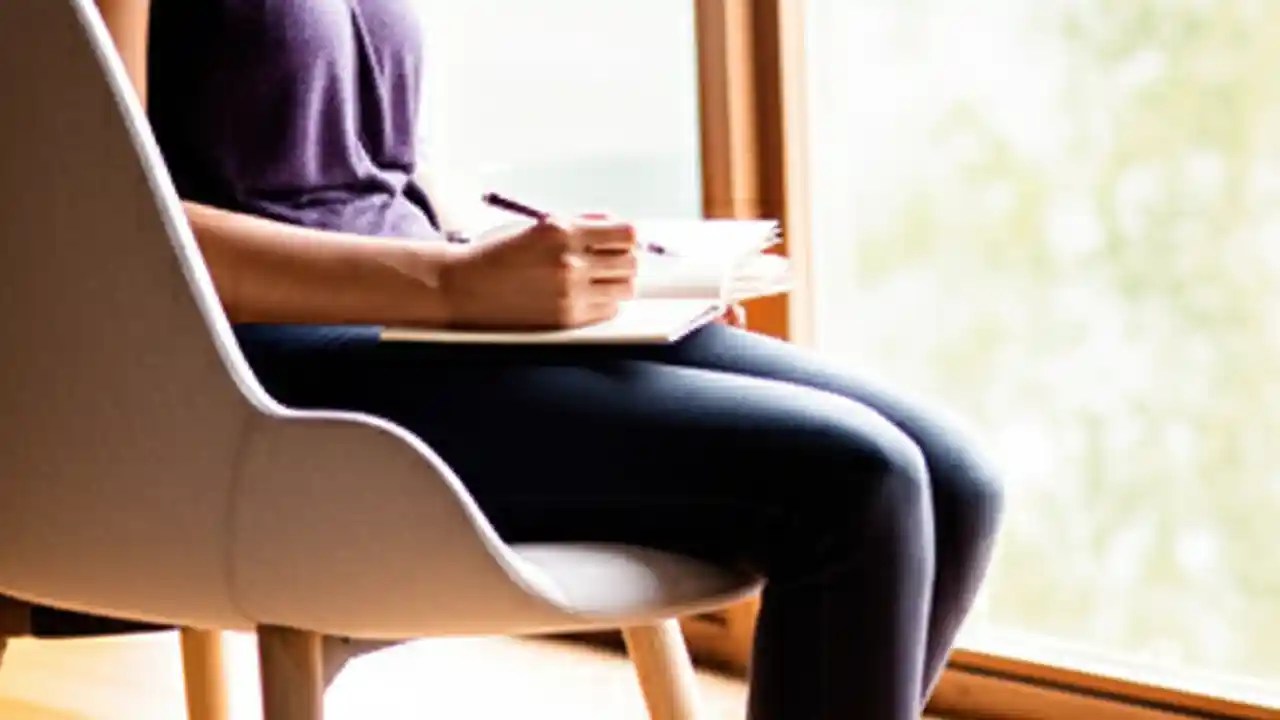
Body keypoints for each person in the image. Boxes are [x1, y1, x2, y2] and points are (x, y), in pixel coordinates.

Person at [17, 1, 1006, 717]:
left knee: (954, 482)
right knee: (852, 485)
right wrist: (449, 289)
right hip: (254, 368)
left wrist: (554, 254)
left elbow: (366, 165)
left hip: (424, 313)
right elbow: (111, 231)